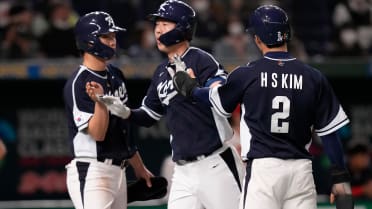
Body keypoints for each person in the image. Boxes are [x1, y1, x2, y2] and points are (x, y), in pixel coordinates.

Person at [172, 5, 354, 209]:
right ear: (287, 35)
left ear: (257, 39)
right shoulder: (313, 77)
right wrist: (340, 178)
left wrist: (192, 89)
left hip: (264, 171)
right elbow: (330, 133)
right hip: (301, 172)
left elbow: (218, 103)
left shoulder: (248, 74)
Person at [90, 1, 244, 209]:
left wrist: (196, 89)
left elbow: (222, 92)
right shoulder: (161, 71)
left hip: (216, 164)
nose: (158, 30)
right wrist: (126, 112)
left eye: (165, 24)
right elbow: (148, 116)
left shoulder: (200, 59)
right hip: (182, 172)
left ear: (182, 27)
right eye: (157, 25)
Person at [63, 11, 153, 209]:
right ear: (89, 41)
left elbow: (123, 127)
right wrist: (100, 102)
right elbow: (97, 134)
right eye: (106, 36)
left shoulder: (116, 74)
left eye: (113, 36)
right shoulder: (79, 82)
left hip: (118, 171)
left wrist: (139, 167)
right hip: (92, 170)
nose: (113, 42)